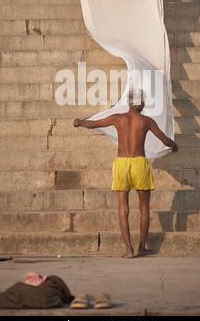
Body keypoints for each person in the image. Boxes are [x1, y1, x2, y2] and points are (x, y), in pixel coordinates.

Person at [73, 91, 178, 258]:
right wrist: (174, 146)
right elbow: (164, 140)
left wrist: (79, 122)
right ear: (141, 104)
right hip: (139, 163)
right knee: (144, 208)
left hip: (121, 163)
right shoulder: (146, 121)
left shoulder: (117, 118)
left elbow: (93, 124)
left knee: (123, 208)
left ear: (129, 104)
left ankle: (129, 250)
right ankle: (142, 246)